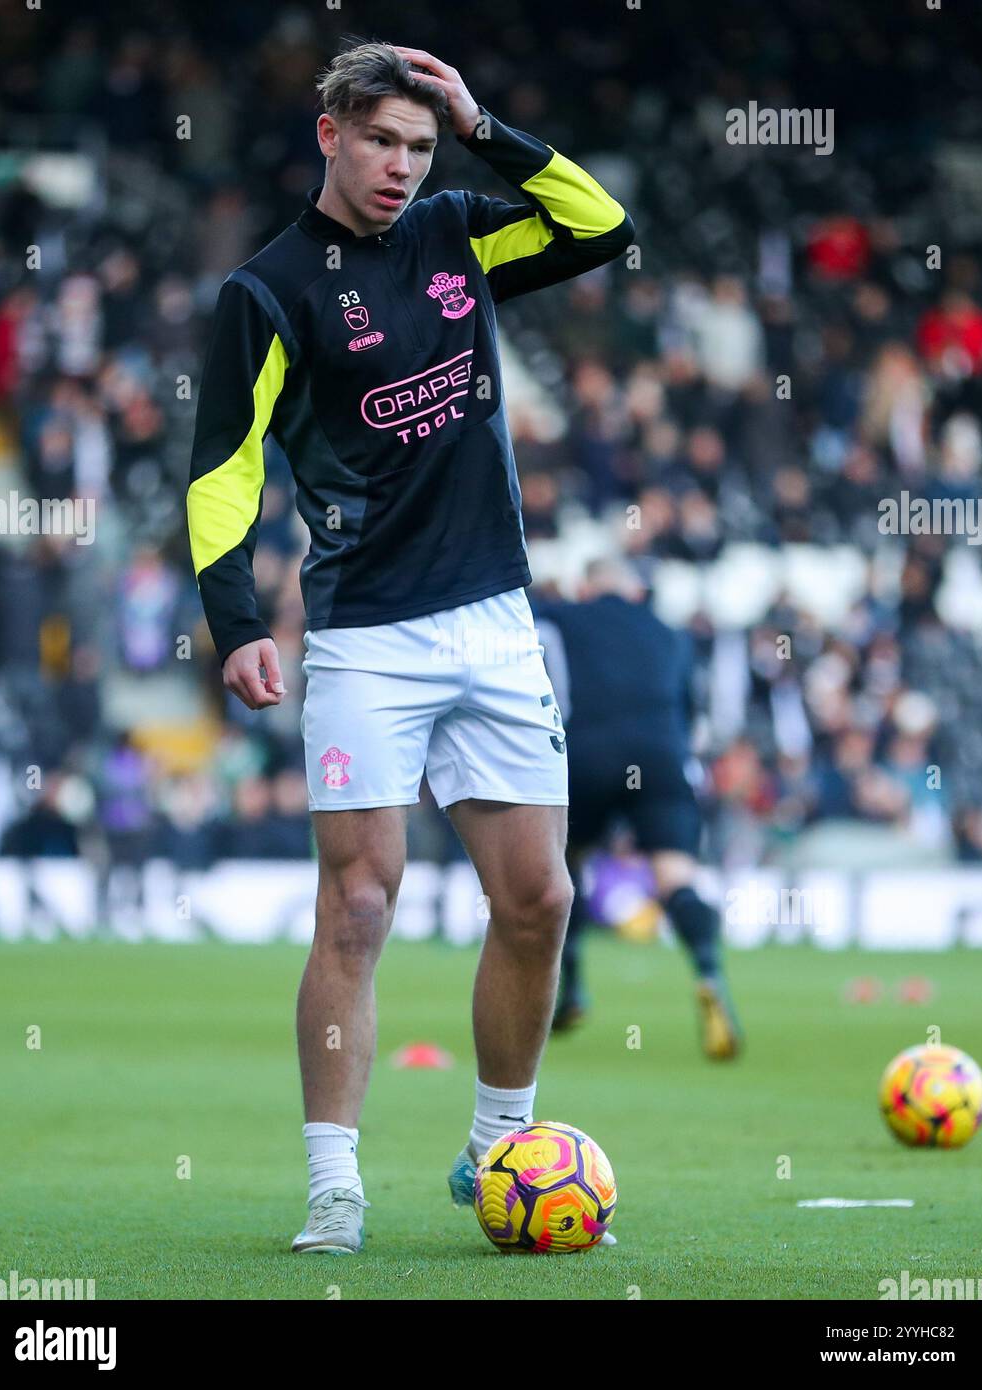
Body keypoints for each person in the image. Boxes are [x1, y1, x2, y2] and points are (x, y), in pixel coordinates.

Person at [185, 40, 635, 1253]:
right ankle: (334, 1182)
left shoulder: (456, 233)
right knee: (360, 902)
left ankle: (498, 1146)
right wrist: (235, 625)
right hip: (365, 635)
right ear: (328, 136)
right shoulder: (269, 290)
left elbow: (599, 227)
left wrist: (484, 126)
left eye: (419, 146)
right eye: (381, 140)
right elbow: (224, 472)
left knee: (537, 896)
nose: (400, 165)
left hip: (492, 618)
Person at [532, 556, 743, 1059]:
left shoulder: (563, 616)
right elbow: (693, 718)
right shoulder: (671, 635)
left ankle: (573, 982)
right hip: (662, 757)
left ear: (587, 587)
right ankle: (709, 972)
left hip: (587, 756)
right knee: (677, 879)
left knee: (566, 866)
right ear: (637, 593)